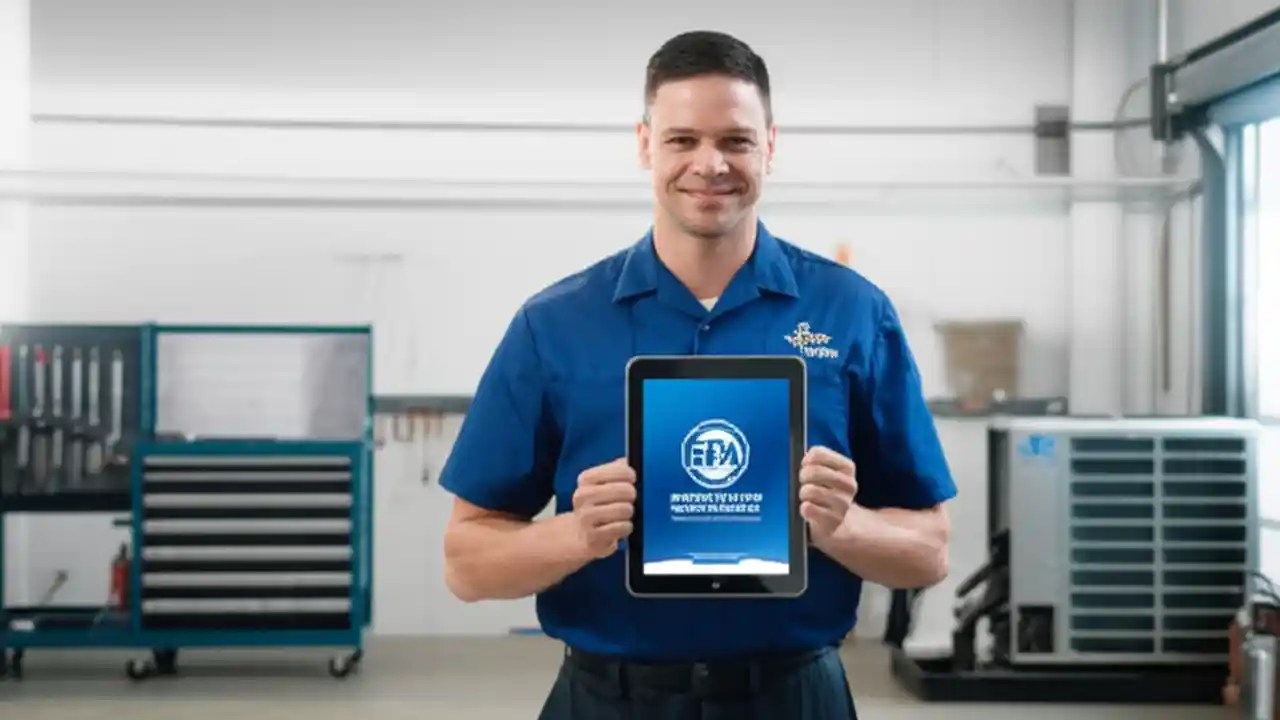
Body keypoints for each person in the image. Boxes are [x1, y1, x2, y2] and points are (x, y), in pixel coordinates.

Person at [439, 29, 957, 719]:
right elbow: (465, 563)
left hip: (793, 698)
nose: (709, 164)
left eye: (735, 141)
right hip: (607, 700)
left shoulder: (853, 313)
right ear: (645, 144)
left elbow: (928, 552)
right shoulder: (555, 325)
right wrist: (575, 534)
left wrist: (842, 527)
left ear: (770, 145)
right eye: (683, 139)